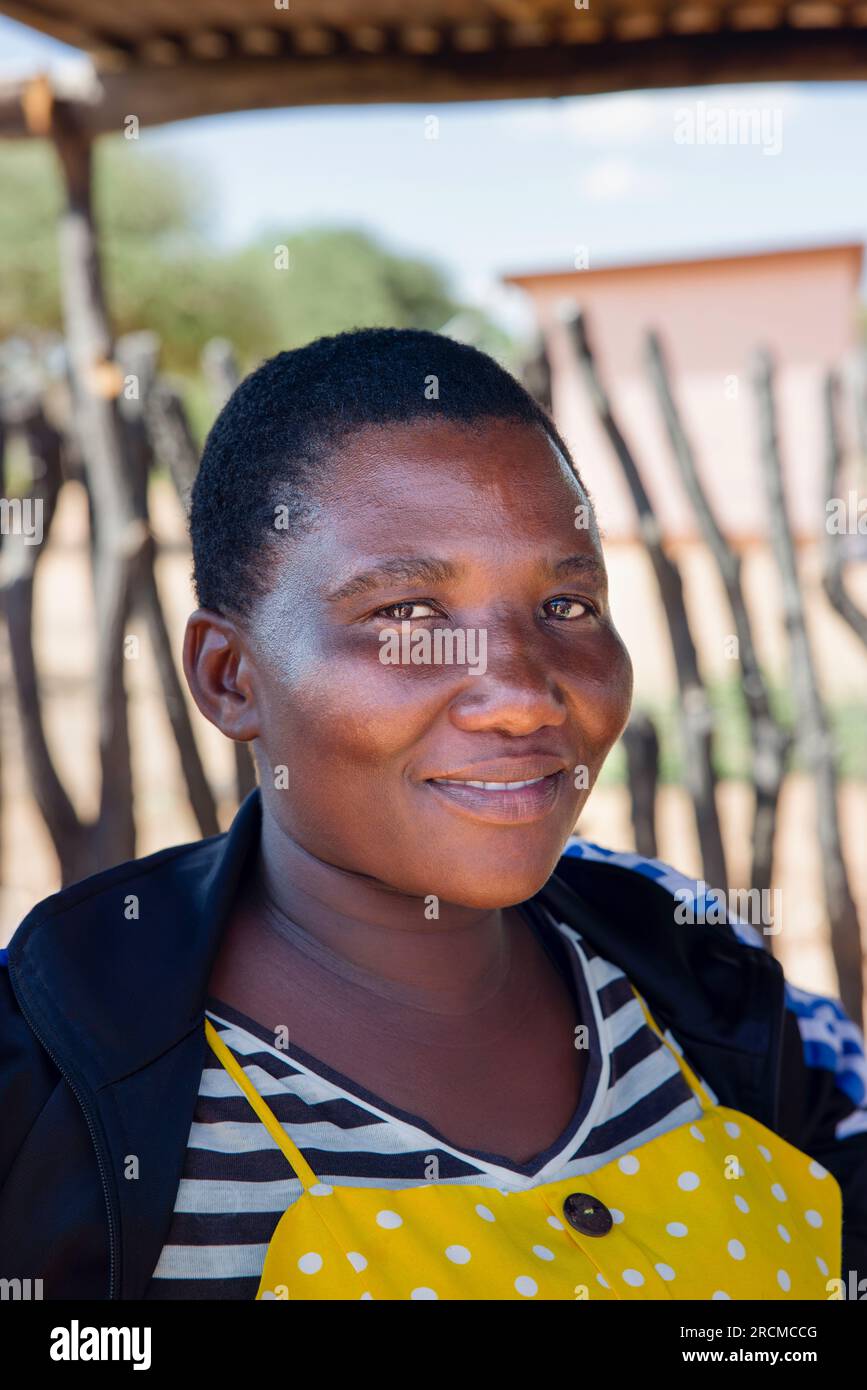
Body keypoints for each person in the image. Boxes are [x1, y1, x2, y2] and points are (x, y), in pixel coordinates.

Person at [1, 327, 865, 1301]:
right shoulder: (52, 1091)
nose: (525, 696)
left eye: (568, 605)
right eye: (409, 616)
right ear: (229, 676)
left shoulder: (700, 976)